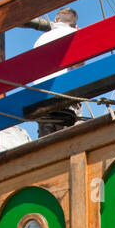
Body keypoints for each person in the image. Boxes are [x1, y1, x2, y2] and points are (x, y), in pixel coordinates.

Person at [31, 8, 80, 137]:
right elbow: (79, 68)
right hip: (64, 98)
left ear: (56, 20)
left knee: (46, 139)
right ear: (75, 25)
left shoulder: (41, 39)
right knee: (67, 139)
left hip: (42, 98)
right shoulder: (73, 34)